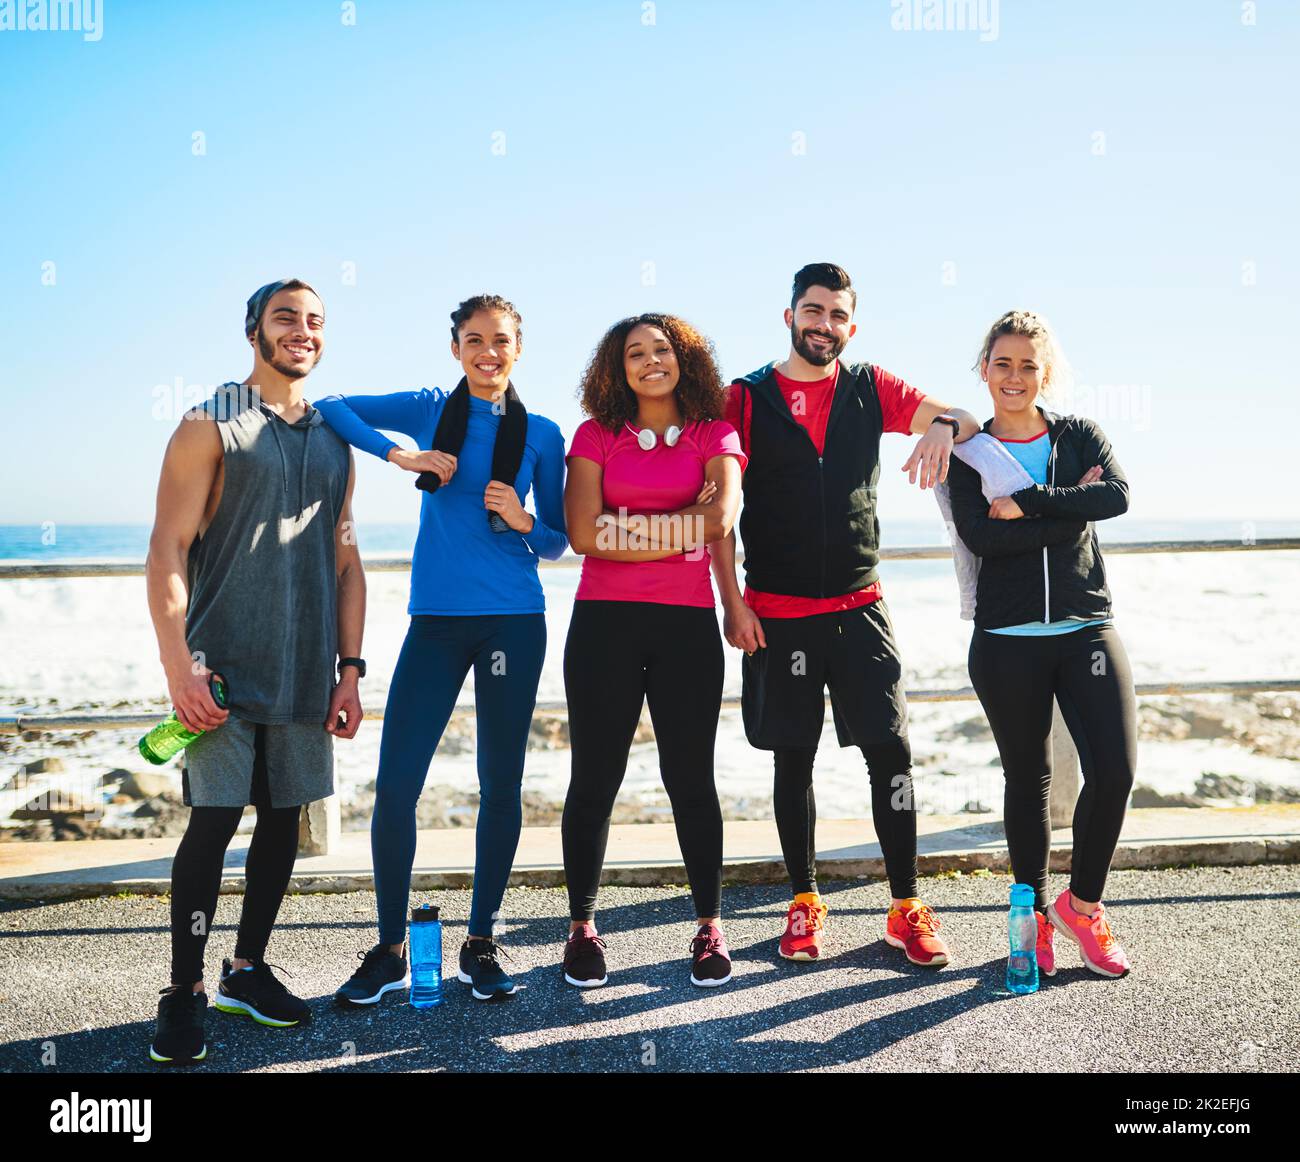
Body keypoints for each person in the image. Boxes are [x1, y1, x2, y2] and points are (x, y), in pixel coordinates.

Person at [710, 262, 981, 967]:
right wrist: (731, 603)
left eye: (836, 315)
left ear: (850, 327)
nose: (823, 324)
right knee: (791, 760)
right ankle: (803, 903)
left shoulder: (871, 387)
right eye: (812, 310)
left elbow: (963, 415)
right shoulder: (745, 398)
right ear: (789, 315)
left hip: (861, 607)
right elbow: (720, 516)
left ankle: (905, 907)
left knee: (890, 752)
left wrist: (944, 428)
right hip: (776, 613)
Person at [317, 294, 567, 1003]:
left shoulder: (544, 433)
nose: (489, 351)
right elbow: (333, 404)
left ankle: (482, 942)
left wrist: (522, 519)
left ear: (519, 348)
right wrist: (403, 454)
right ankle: (391, 948)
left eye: (502, 341)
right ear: (456, 348)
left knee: (501, 785)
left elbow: (559, 538)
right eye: (475, 340)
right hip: (435, 622)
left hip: (513, 621)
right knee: (397, 784)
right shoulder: (431, 406)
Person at [145, 279, 363, 1064]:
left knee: (282, 819)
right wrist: (179, 666)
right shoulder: (210, 423)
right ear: (253, 331)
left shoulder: (337, 438)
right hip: (221, 671)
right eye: (285, 318)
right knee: (213, 822)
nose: (302, 331)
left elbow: (345, 561)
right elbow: (167, 547)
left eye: (314, 321)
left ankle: (246, 969)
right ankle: (183, 991)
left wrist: (350, 670)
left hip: (306, 672)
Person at [946, 309, 1136, 978]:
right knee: (1027, 780)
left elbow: (1113, 498)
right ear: (984, 370)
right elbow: (983, 540)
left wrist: (1030, 501)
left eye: (1029, 365)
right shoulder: (965, 454)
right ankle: (1029, 923)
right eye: (1003, 363)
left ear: (1045, 372)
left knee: (1114, 771)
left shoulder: (1079, 434)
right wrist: (1065, 510)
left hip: (1086, 629)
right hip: (1005, 641)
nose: (1016, 376)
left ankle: (1081, 906)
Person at [561, 313, 745, 989]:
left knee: (690, 779)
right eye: (634, 353)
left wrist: (627, 528)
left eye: (661, 349)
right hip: (604, 624)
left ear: (683, 358)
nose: (649, 361)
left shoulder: (714, 431)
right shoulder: (594, 435)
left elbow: (722, 519)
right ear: (618, 368)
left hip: (687, 625)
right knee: (595, 780)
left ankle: (708, 926)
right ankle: (582, 927)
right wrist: (680, 526)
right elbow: (583, 532)